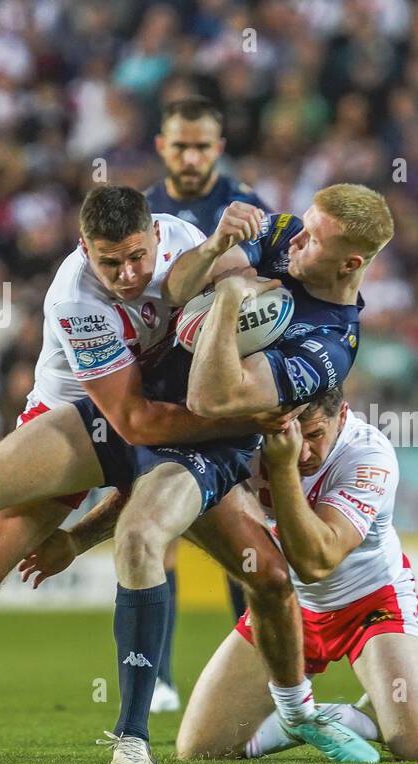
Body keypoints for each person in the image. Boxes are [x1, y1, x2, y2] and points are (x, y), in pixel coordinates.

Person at [0, 184, 393, 764]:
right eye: (109, 262)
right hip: (96, 412)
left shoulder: (328, 343)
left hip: (198, 437)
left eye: (136, 259)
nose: (127, 276)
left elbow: (201, 394)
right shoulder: (82, 293)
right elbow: (134, 416)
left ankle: (288, 714)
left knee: (266, 577)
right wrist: (221, 263)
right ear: (85, 249)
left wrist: (231, 341)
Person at [24, 387, 418, 762]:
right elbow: (158, 491)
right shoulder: (246, 441)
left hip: (370, 604)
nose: (306, 450)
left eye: (316, 435)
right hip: (285, 607)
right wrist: (77, 539)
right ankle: (328, 718)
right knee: (201, 749)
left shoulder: (369, 454)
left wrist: (284, 466)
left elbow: (317, 559)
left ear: (342, 416)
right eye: (291, 435)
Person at [143, 94, 268, 713]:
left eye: (201, 147)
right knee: (155, 532)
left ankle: (255, 673)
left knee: (241, 535)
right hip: (160, 387)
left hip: (225, 388)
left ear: (218, 148)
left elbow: (269, 285)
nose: (190, 157)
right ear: (161, 147)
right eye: (180, 146)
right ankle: (161, 680)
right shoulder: (142, 210)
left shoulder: (244, 206)